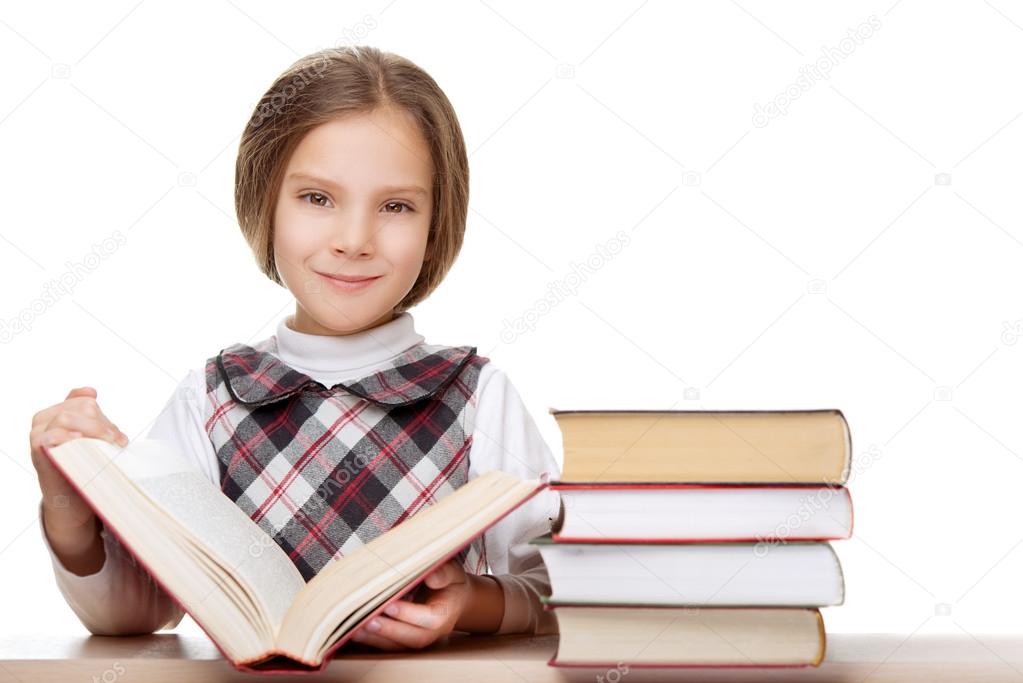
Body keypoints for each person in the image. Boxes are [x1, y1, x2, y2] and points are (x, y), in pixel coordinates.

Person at [29, 45, 561, 650]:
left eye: (395, 206)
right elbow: (138, 614)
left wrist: (474, 602)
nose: (354, 240)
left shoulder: (478, 397)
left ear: (437, 223)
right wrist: (70, 514)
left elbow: (559, 588)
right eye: (317, 198)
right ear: (266, 202)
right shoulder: (211, 400)